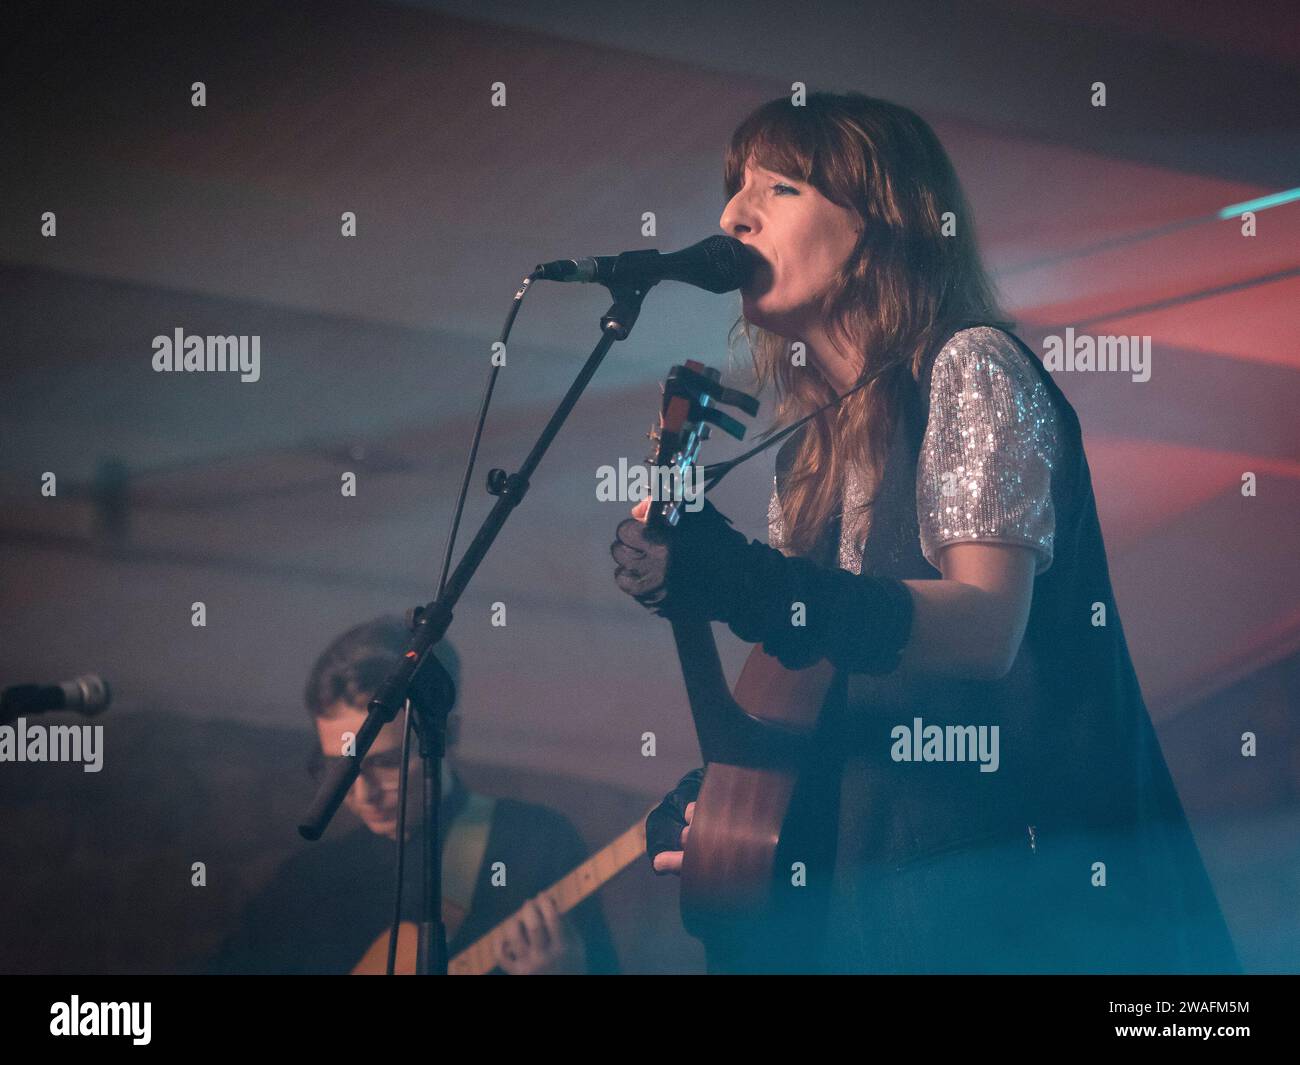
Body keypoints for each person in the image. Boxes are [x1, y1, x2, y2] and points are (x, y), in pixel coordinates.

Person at [610, 92, 1240, 974]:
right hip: (876, 917)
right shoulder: (807, 459)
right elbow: (814, 680)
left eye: (780, 188)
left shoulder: (970, 364)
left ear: (881, 221)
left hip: (1020, 917)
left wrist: (746, 582)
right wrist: (721, 798)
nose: (731, 217)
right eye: (734, 190)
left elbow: (984, 628)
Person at [205, 616, 618, 974]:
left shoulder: (536, 841)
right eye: (340, 766)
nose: (362, 794)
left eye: (386, 763)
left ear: (447, 735)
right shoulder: (306, 882)